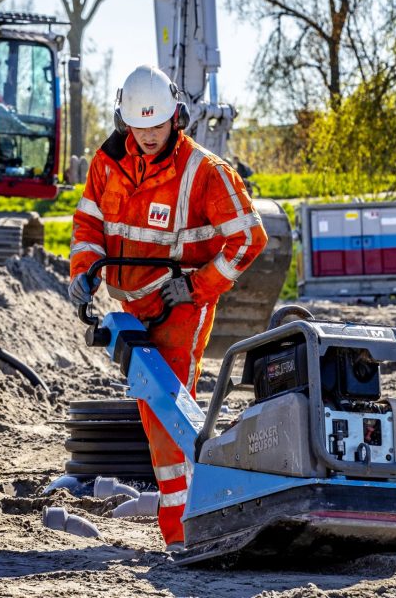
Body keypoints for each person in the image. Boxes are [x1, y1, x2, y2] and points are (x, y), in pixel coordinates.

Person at [67, 65, 267, 550]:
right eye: (142, 126)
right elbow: (88, 226)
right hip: (129, 308)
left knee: (167, 416)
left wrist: (198, 286)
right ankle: (192, 524)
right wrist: (83, 271)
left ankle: (185, 535)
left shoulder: (205, 172)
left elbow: (249, 238)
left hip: (180, 308)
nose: (152, 135)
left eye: (160, 125)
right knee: (153, 409)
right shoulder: (106, 163)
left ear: (176, 115)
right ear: (125, 121)